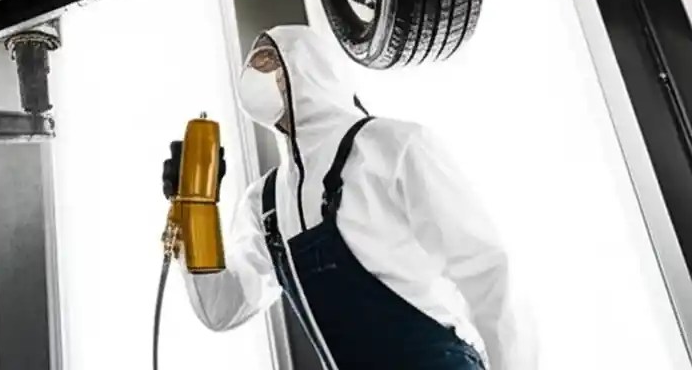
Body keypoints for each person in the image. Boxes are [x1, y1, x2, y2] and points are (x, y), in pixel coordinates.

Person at [168, 25, 534, 369]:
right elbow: (223, 307)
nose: (253, 73)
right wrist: (193, 208)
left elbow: (487, 271)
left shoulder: (393, 145)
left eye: (268, 59)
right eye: (251, 64)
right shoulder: (264, 204)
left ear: (310, 66)